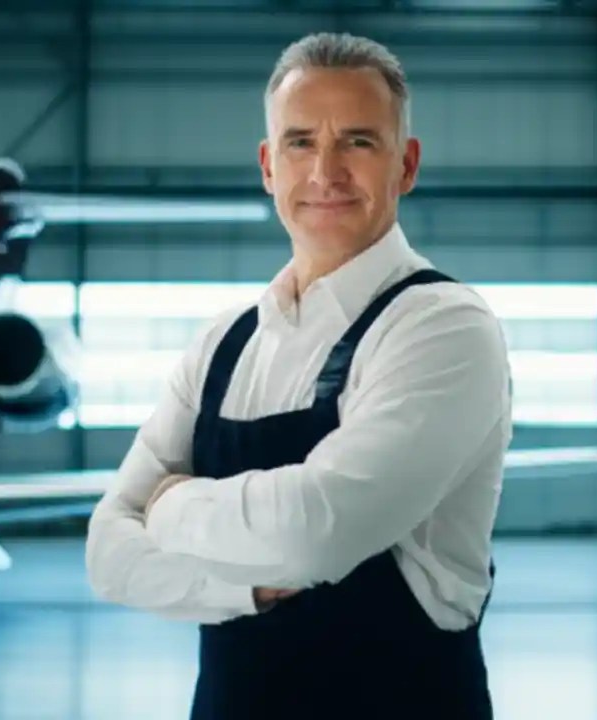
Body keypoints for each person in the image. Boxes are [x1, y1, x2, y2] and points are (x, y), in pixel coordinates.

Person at [85, 31, 512, 720]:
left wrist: (167, 506)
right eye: (301, 142)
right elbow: (107, 553)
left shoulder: (443, 326)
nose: (326, 171)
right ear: (267, 165)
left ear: (406, 165)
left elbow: (315, 531)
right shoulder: (222, 342)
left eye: (358, 142)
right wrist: (250, 588)